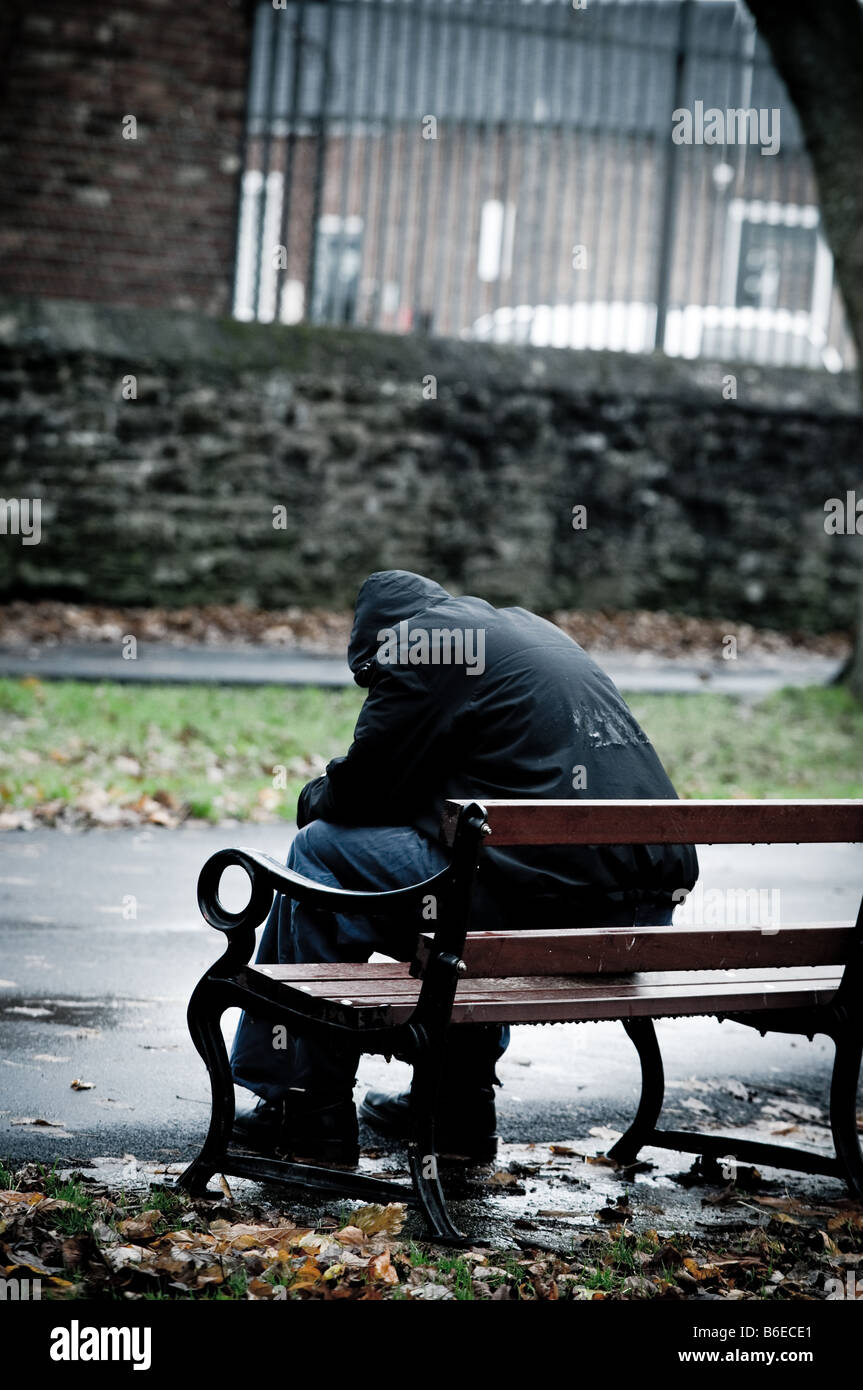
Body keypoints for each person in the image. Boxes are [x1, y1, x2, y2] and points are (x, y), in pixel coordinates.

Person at [230, 570, 699, 1165]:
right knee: (467, 885)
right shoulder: (525, 632)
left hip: (547, 903)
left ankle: (304, 1104)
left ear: (382, 644)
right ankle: (456, 1103)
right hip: (640, 920)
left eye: (370, 678)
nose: (374, 689)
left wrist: (311, 796)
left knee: (320, 851)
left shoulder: (419, 645)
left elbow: (360, 790)